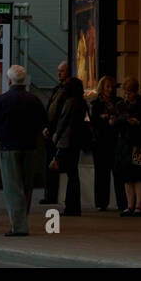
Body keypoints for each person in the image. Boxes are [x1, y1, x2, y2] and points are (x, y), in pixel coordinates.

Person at [0, 65, 48, 237]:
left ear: (9, 80)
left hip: (8, 147)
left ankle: (18, 226)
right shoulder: (34, 100)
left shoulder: (1, 100)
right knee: (26, 187)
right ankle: (22, 219)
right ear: (24, 80)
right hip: (30, 147)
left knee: (13, 188)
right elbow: (43, 121)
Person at [111, 77, 141, 215]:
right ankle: (129, 205)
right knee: (127, 175)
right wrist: (119, 121)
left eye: (130, 92)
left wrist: (138, 123)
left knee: (140, 174)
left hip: (140, 143)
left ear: (136, 91)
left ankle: (138, 206)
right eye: (125, 92)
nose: (127, 95)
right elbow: (115, 123)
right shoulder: (120, 105)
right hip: (125, 142)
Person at [50, 77, 87, 216]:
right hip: (76, 141)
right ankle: (73, 205)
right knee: (73, 174)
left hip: (66, 140)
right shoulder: (81, 102)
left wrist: (56, 135)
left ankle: (71, 206)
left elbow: (62, 121)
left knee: (68, 173)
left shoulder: (70, 102)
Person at [89, 75, 125, 211]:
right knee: (101, 173)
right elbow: (93, 122)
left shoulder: (119, 101)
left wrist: (114, 119)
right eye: (107, 87)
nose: (110, 90)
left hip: (115, 141)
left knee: (118, 172)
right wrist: (104, 119)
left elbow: (122, 117)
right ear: (102, 88)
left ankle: (122, 202)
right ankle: (101, 202)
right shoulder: (96, 103)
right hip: (100, 142)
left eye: (112, 87)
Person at [41, 62, 71, 205]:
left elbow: (61, 113)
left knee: (57, 162)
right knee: (50, 162)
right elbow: (50, 109)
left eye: (62, 71)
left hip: (59, 132)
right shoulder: (57, 89)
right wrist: (46, 126)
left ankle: (53, 194)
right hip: (51, 130)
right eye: (58, 71)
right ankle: (49, 194)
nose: (59, 73)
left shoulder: (68, 92)